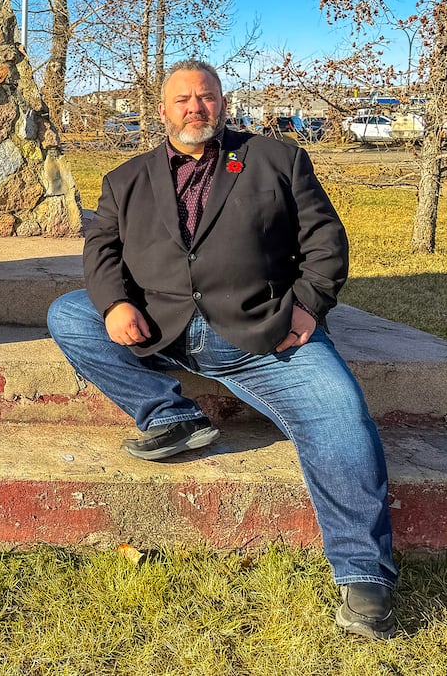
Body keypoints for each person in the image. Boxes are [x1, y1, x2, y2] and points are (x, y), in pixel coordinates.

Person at [47, 60, 398, 641]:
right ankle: (171, 413)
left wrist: (308, 305)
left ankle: (364, 575)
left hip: (264, 333)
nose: (195, 109)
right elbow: (100, 252)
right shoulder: (125, 179)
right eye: (182, 100)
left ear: (222, 103)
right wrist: (113, 304)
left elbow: (325, 241)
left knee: (339, 413)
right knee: (69, 314)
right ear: (161, 111)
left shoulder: (276, 160)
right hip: (163, 327)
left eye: (205, 98)